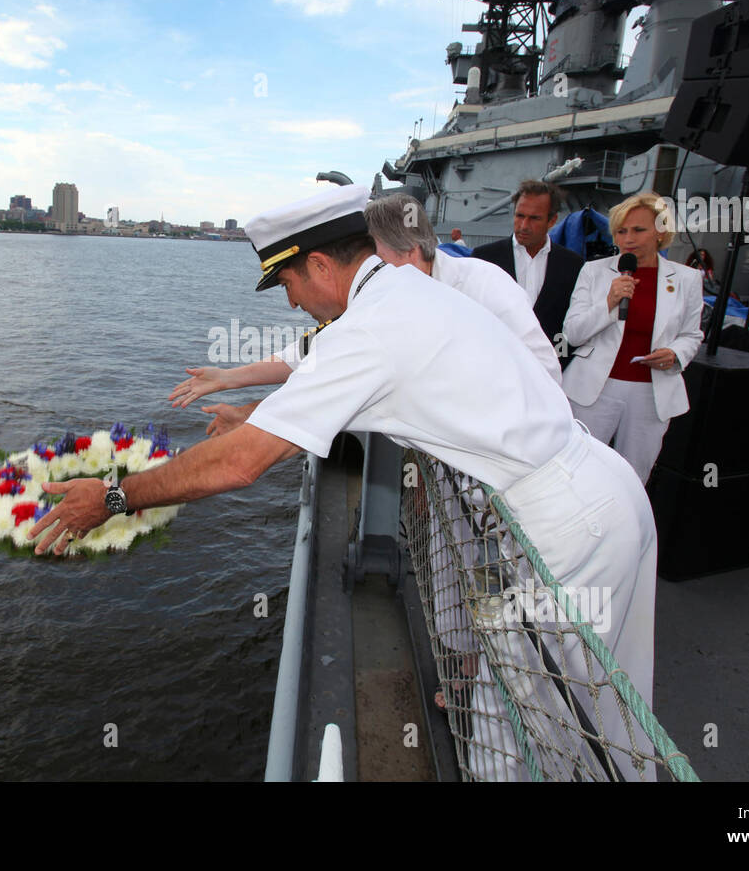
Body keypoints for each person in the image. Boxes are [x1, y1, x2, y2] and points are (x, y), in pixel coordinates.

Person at [36, 184, 659, 780]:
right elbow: (336, 396)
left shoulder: (369, 328)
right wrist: (255, 415)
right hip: (606, 490)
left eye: (286, 283)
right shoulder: (405, 295)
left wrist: (113, 497)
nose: (290, 302)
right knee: (613, 723)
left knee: (513, 731)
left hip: (562, 528)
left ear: (318, 266)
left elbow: (240, 464)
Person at [167, 193, 561, 422]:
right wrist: (227, 379)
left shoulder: (483, 286)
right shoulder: (381, 301)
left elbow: (546, 379)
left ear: (408, 250)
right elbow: (310, 356)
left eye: (372, 256)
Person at [560, 192, 705, 485]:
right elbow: (573, 332)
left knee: (633, 477)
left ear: (661, 231)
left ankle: (623, 530)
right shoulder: (594, 271)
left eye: (638, 230)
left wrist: (676, 354)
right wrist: (609, 302)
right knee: (576, 471)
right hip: (593, 391)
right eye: (621, 231)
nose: (628, 238)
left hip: (652, 394)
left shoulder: (688, 279)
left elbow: (692, 334)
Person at [471, 179, 585, 365]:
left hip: (546, 371)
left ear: (552, 220)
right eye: (519, 215)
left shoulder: (572, 265)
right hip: (492, 365)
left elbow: (567, 325)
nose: (523, 225)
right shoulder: (484, 257)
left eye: (534, 218)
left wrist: (558, 362)